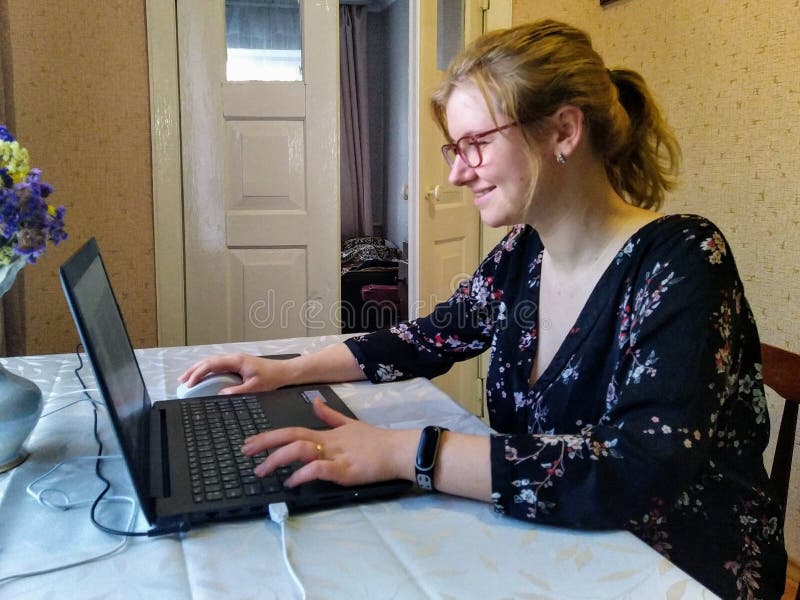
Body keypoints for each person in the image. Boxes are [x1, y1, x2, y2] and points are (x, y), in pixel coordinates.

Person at [180, 20, 787, 599]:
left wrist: (403, 452)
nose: (454, 174)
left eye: (474, 144)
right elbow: (426, 340)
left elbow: (635, 470)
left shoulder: (682, 260)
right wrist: (286, 369)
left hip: (675, 565)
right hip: (556, 536)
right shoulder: (525, 253)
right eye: (454, 147)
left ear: (563, 132)